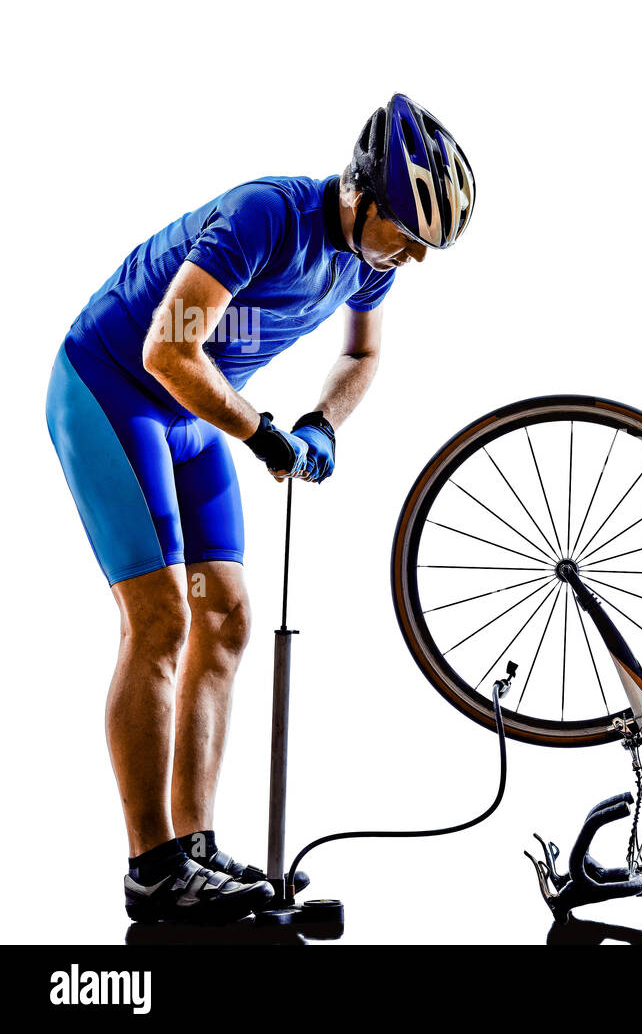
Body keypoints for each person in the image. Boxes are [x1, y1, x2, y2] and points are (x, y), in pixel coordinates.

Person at [45, 93, 475, 924]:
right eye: (412, 236)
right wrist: (260, 434)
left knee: (229, 618)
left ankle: (195, 849)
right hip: (112, 388)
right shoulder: (265, 214)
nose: (415, 259)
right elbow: (165, 348)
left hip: (197, 410)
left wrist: (320, 422)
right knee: (161, 618)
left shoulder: (371, 259)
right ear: (364, 191)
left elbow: (361, 351)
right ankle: (152, 867)